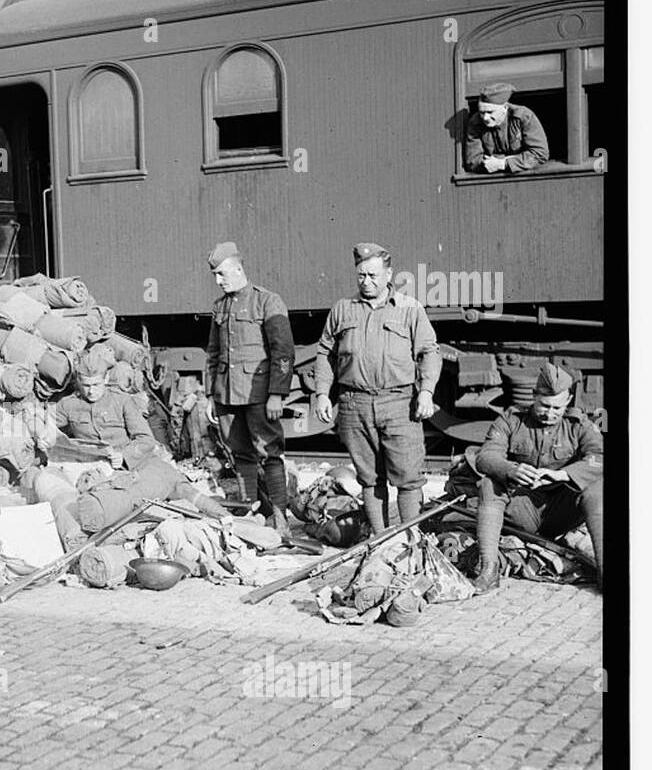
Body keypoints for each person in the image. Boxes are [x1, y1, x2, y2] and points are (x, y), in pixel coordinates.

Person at [313, 243, 441, 536]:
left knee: (408, 478)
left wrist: (426, 391)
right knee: (369, 478)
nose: (366, 282)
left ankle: (413, 539)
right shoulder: (342, 309)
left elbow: (429, 352)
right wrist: (322, 393)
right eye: (361, 275)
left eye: (373, 275)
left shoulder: (410, 309)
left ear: (389, 274)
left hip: (398, 403)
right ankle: (381, 538)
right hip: (354, 404)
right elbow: (325, 353)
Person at [471, 362, 603, 593]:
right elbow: (486, 456)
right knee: (488, 484)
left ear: (568, 401)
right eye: (544, 405)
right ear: (533, 396)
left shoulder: (579, 424)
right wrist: (511, 469)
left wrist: (562, 475)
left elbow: (599, 458)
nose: (549, 414)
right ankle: (488, 569)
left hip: (562, 510)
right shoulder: (511, 420)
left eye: (557, 408)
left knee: (598, 488)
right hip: (523, 509)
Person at [202, 240, 296, 531]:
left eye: (222, 274)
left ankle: (280, 517)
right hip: (227, 394)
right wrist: (210, 395)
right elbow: (213, 353)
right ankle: (250, 515)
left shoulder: (267, 301)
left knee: (270, 452)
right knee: (240, 454)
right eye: (215, 276)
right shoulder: (220, 307)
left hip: (259, 394)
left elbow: (283, 352)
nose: (218, 281)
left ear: (238, 268)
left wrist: (277, 394)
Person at [40, 358, 156, 471]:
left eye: (96, 385)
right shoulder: (69, 404)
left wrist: (123, 456)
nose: (91, 391)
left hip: (120, 466)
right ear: (79, 381)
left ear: (106, 379)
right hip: (85, 465)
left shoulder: (122, 401)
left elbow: (146, 439)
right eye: (86, 386)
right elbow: (42, 422)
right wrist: (42, 435)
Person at [464, 82, 550, 174]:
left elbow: (540, 153)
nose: (485, 117)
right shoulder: (475, 122)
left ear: (505, 108)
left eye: (490, 112)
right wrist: (496, 162)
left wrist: (502, 163)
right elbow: (472, 161)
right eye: (482, 112)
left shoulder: (524, 116)